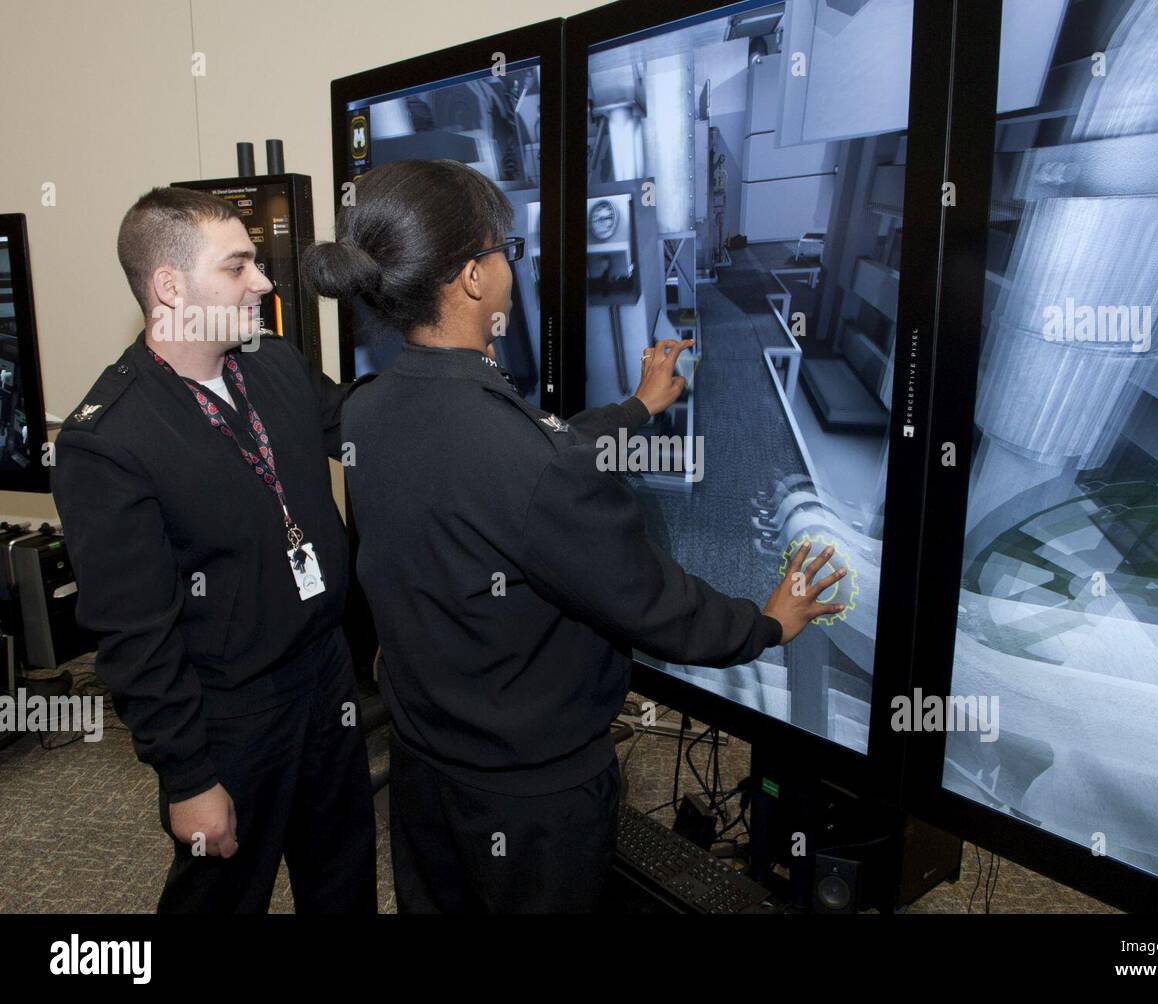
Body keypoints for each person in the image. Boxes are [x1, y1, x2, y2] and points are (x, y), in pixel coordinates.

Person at [304, 159, 845, 913]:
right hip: (533, 802)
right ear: (472, 278)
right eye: (505, 251)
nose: (511, 268)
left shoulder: (366, 411)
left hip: (425, 766)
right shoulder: (532, 465)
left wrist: (634, 408)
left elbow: (519, 457)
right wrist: (764, 626)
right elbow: (656, 605)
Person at [52, 187, 376, 913]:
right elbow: (134, 635)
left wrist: (440, 378)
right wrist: (189, 778)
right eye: (237, 267)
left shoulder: (272, 363)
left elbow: (359, 427)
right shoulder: (108, 442)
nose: (262, 283)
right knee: (221, 896)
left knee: (344, 875)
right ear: (171, 287)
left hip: (327, 674)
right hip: (229, 714)